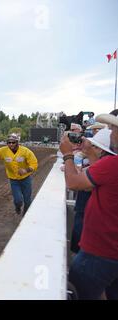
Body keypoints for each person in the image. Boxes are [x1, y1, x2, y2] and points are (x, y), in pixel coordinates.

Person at [60, 113, 118, 299]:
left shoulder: (112, 164)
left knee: (78, 290)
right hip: (109, 253)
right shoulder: (109, 166)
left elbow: (73, 183)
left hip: (99, 252)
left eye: (113, 129)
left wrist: (68, 155)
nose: (110, 134)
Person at [70, 128, 116, 254]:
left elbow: (74, 183)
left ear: (99, 150)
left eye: (93, 145)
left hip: (100, 246)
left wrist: (67, 155)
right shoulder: (105, 166)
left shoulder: (109, 166)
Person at [0, 133, 38, 215]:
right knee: (18, 200)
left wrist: (26, 170)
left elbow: (34, 163)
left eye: (13, 142)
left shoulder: (26, 151)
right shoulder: (3, 151)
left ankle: (25, 215)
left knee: (27, 200)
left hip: (26, 179)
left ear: (17, 142)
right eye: (9, 142)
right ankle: (17, 207)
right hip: (14, 181)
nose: (11, 144)